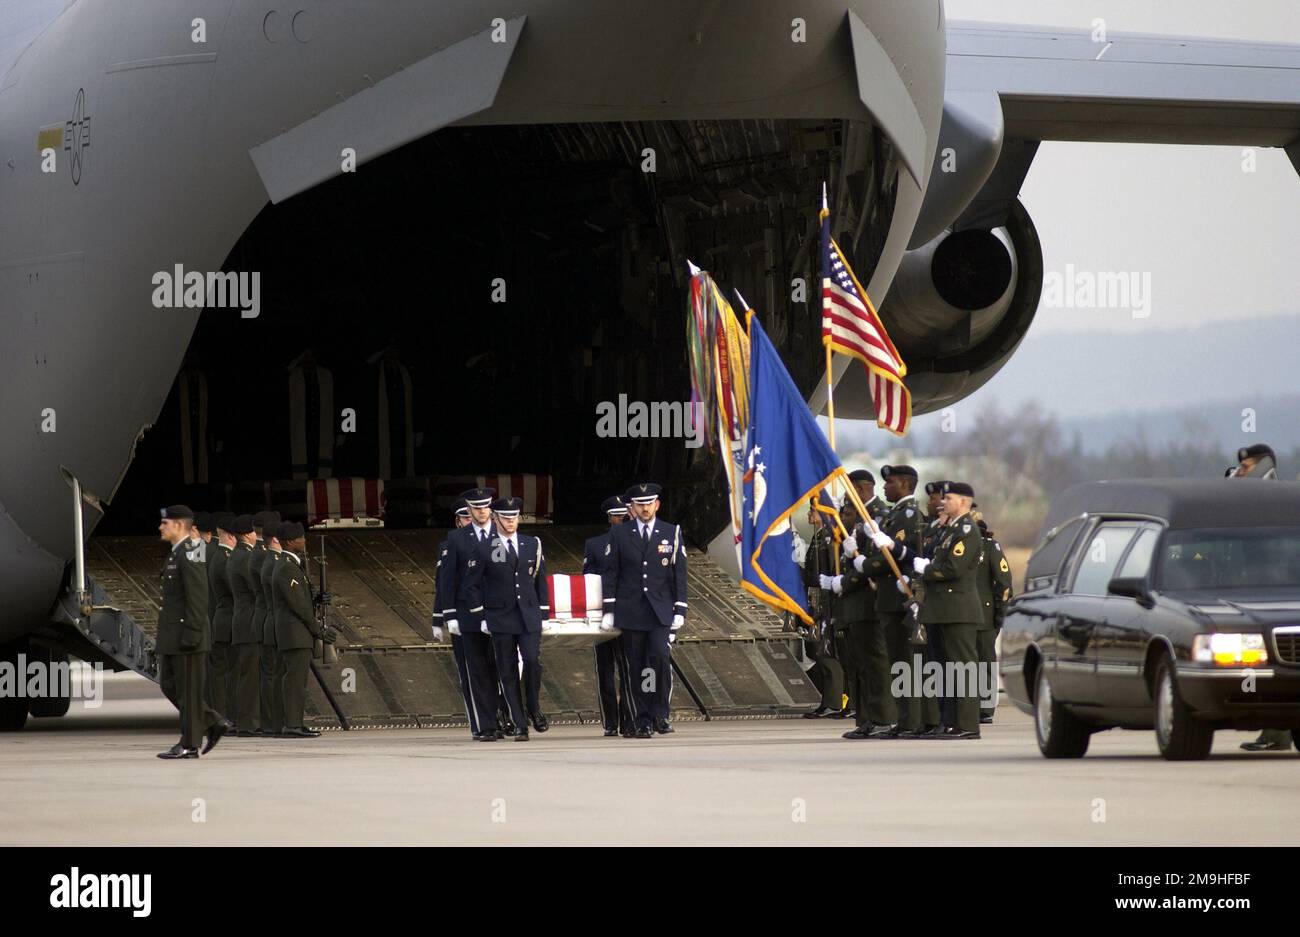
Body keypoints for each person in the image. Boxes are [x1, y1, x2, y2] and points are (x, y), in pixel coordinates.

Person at [601, 482, 688, 738]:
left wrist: (680, 608)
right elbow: (612, 573)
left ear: (657, 505)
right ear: (633, 508)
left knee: (659, 659)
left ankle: (660, 713)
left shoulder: (671, 532)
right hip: (632, 611)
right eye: (640, 504)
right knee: (638, 667)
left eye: (649, 503)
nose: (645, 508)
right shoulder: (620, 534)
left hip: (659, 611)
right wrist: (609, 608)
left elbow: (678, 573)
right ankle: (642, 719)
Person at [464, 496, 549, 741]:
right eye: (505, 518)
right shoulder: (484, 548)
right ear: (495, 518)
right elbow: (472, 585)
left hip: (528, 615)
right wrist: (480, 615)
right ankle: (519, 722)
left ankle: (533, 706)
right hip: (500, 616)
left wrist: (544, 613)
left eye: (514, 517)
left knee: (532, 661)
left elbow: (539, 579)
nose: (511, 522)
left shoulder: (531, 544)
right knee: (508, 671)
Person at [1230, 444, 1294, 752]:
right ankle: (1277, 730)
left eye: (1247, 467)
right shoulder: (1264, 500)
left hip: (1276, 598)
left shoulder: (1270, 502)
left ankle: (1277, 732)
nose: (1241, 473)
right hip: (1269, 595)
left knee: (1275, 664)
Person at [856, 465, 928, 738]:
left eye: (890, 483)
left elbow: (898, 557)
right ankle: (904, 719)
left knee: (904, 662)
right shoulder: (896, 514)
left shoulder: (908, 515)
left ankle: (910, 721)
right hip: (886, 598)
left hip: (899, 597)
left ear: (905, 485)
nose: (884, 487)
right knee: (897, 662)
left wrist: (864, 565)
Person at [912, 482, 985, 739]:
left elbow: (953, 568)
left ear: (964, 502)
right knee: (944, 669)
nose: (944, 502)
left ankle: (967, 725)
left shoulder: (967, 530)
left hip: (958, 609)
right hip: (942, 609)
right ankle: (949, 721)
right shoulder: (948, 530)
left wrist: (927, 570)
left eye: (950, 498)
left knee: (963, 668)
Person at [155, 505, 229, 759]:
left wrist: (192, 634)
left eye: (165, 523)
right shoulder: (177, 553)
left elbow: (198, 598)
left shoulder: (192, 552)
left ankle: (189, 744)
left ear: (178, 525)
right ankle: (212, 722)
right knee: (169, 686)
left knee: (187, 692)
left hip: (188, 636)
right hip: (175, 637)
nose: (160, 527)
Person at [441, 487, 503, 741]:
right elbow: (448, 580)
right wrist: (449, 615)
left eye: (484, 507)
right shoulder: (457, 539)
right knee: (476, 671)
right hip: (468, 615)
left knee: (499, 670)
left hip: (499, 614)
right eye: (475, 508)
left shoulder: (503, 533)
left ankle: (500, 719)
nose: (480, 512)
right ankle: (485, 725)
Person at [835, 473, 893, 739]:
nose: (846, 497)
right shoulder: (860, 517)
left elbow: (874, 561)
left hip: (872, 600)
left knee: (877, 662)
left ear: (860, 489)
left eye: (849, 491)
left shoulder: (878, 516)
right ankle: (867, 718)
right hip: (857, 602)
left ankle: (883, 718)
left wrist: (844, 581)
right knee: (863, 664)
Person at [272, 521, 330, 737]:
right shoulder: (287, 567)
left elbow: (303, 600)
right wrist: (318, 630)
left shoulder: (291, 565)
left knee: (297, 680)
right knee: (295, 681)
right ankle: (292, 724)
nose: (304, 541)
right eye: (300, 538)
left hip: (295, 633)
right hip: (295, 633)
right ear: (290, 542)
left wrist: (316, 598)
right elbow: (299, 606)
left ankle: (295, 722)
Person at [434, 498, 485, 739]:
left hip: (492, 615)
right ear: (458, 521)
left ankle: (501, 718)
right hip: (463, 616)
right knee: (470, 672)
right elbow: (444, 584)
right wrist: (442, 617)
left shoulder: (492, 539)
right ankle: (478, 723)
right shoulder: (450, 545)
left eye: (471, 515)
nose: (469, 520)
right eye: (464, 517)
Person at [583, 496, 632, 737]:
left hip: (631, 615)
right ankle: (610, 721)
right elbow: (588, 581)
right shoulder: (595, 545)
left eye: (625, 514)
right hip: (603, 616)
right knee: (605, 671)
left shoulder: (638, 541)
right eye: (617, 515)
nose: (621, 518)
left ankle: (630, 716)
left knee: (630, 670)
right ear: (609, 517)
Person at [796, 500, 844, 718]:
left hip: (828, 602)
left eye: (812, 511)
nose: (808, 515)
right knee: (816, 650)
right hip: (816, 601)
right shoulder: (818, 536)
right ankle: (828, 699)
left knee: (827, 652)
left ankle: (835, 702)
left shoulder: (832, 537)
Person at [972, 514, 1013, 724]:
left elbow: (1003, 581)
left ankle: (986, 706)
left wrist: (1000, 612)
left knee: (985, 660)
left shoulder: (990, 547)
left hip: (985, 614)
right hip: (964, 613)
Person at [226, 514, 262, 736]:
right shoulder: (245, 558)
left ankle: (243, 720)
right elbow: (256, 588)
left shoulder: (235, 555)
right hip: (249, 624)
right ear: (249, 534)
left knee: (244, 675)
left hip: (241, 621)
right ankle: (249, 724)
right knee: (251, 678)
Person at [206, 512, 237, 720]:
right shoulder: (223, 559)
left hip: (211, 621)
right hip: (223, 621)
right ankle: (223, 715)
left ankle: (217, 714)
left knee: (216, 672)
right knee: (225, 672)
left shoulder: (204, 554)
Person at [260, 521, 286, 736]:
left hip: (266, 623)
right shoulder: (273, 563)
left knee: (271, 676)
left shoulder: (269, 560)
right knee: (272, 676)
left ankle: (272, 721)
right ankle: (272, 722)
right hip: (272, 624)